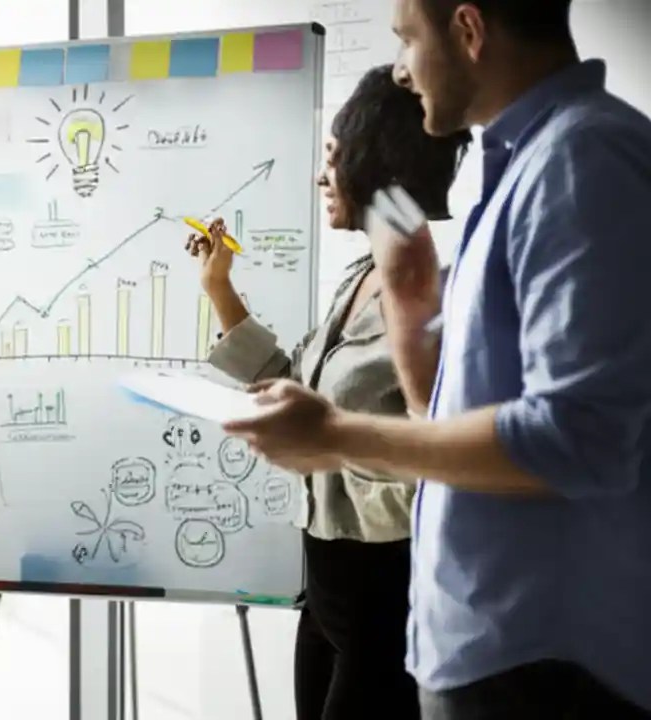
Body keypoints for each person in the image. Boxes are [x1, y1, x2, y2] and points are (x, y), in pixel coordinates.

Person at [220, 0, 651, 717]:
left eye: (407, 39)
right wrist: (414, 309)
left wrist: (333, 437)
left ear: (470, 30)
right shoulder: (518, 172)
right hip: (479, 641)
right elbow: (445, 420)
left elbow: (579, 441)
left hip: (542, 657)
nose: (400, 67)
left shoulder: (581, 160)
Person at [189, 64, 470, 720]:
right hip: (325, 585)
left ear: (379, 158)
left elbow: (446, 448)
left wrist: (330, 440)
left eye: (334, 157)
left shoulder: (439, 290)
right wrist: (220, 291)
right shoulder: (361, 277)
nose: (322, 176)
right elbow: (301, 383)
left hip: (390, 588)